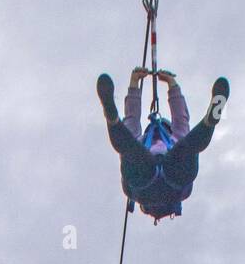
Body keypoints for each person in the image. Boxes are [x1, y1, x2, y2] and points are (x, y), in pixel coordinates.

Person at [96, 68, 229, 221]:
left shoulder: (141, 142)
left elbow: (131, 119)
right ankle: (209, 122)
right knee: (187, 148)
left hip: (143, 185)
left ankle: (112, 119)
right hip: (174, 183)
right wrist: (172, 84)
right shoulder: (174, 140)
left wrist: (134, 83)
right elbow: (181, 118)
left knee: (131, 150)